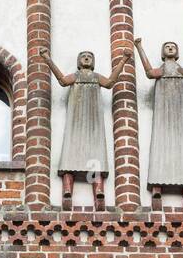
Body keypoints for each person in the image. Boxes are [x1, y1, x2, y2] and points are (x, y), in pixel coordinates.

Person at [48, 49, 131, 211]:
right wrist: (47, 59)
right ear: (79, 62)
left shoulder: (96, 77)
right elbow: (63, 81)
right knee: (70, 153)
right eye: (83, 56)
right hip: (76, 120)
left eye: (90, 57)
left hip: (93, 120)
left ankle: (98, 190)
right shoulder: (76, 76)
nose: (86, 58)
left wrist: (123, 60)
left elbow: (109, 82)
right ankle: (67, 190)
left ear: (93, 62)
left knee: (96, 154)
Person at [133, 38, 183, 210]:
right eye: (167, 46)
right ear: (163, 54)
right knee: (161, 146)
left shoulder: (181, 71)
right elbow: (149, 72)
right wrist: (139, 47)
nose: (170, 48)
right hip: (163, 115)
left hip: (181, 114)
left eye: (173, 46)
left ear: (177, 53)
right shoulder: (161, 71)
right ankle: (157, 185)